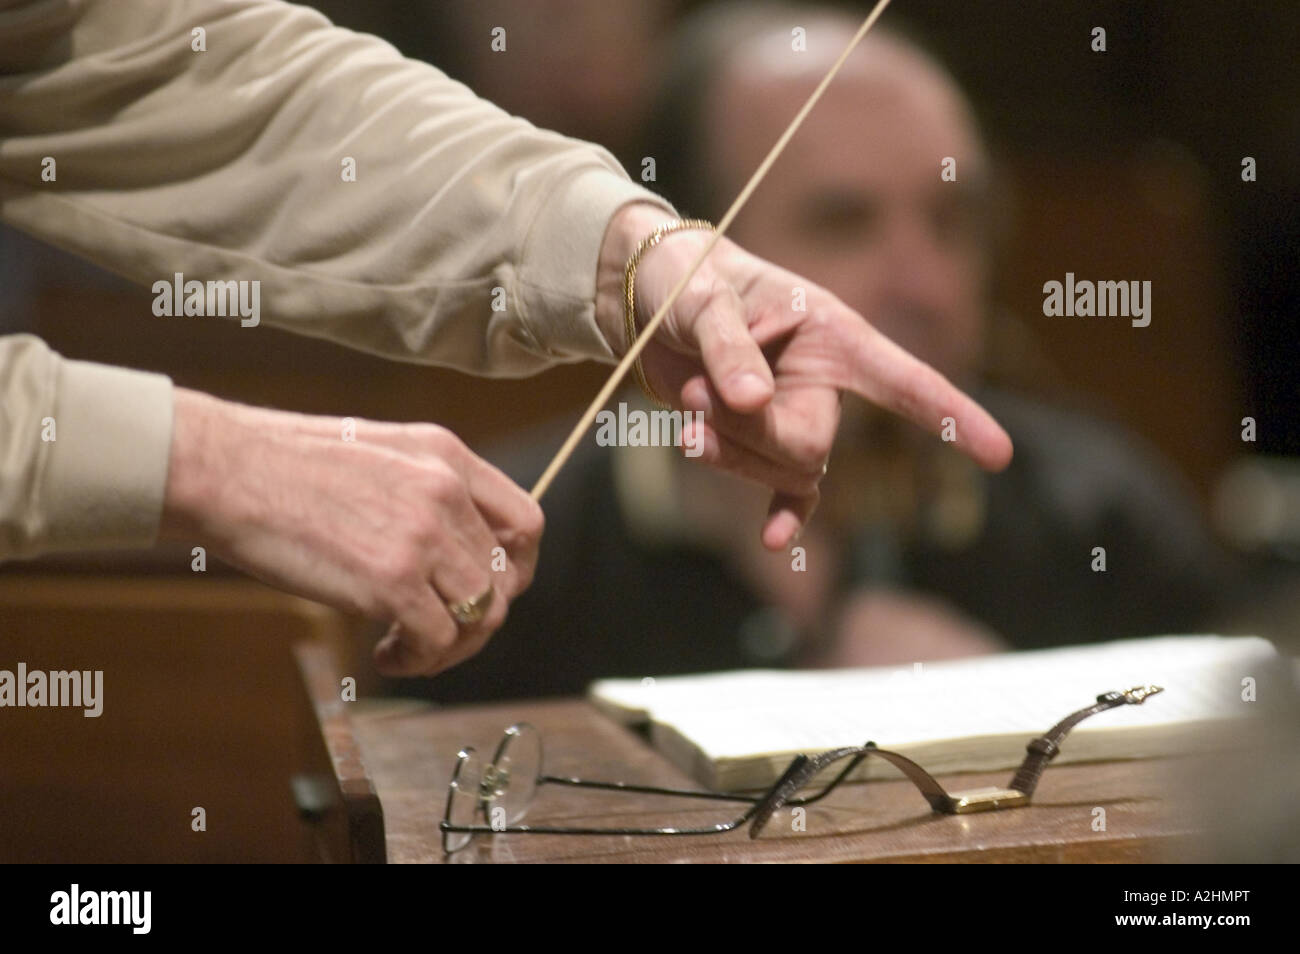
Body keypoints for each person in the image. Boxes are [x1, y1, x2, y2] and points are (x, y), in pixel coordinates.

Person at [0, 0, 1012, 676]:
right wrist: (209, 460)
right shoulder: (577, 550)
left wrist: (630, 257)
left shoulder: (1099, 503)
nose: (916, 277)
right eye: (844, 219)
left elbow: (160, 76)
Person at [406, 3, 1256, 702]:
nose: (926, 284)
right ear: (689, 254)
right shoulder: (517, 555)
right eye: (843, 221)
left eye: (952, 222)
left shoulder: (1107, 522)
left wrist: (1017, 709)